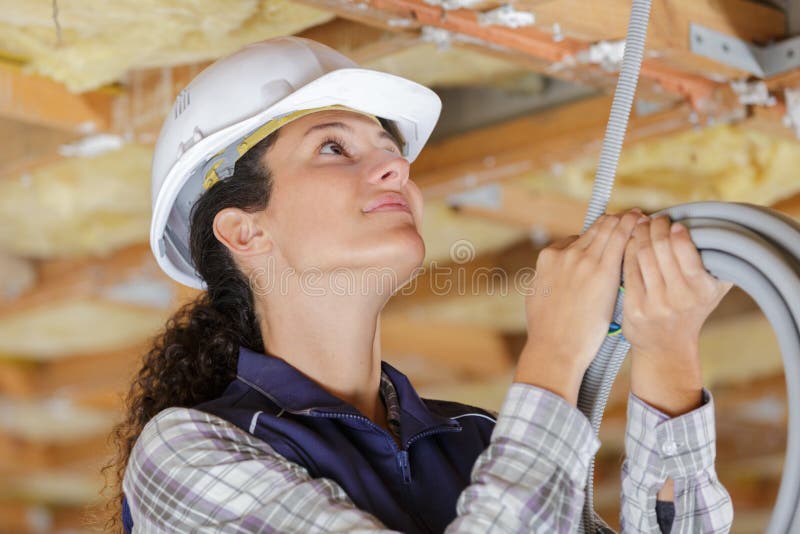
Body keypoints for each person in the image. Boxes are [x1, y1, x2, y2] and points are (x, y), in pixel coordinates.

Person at [106, 37, 734, 533]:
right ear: (245, 232)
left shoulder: (478, 441)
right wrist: (555, 354)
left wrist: (668, 358)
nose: (397, 166)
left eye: (389, 148)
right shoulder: (187, 456)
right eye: (332, 146)